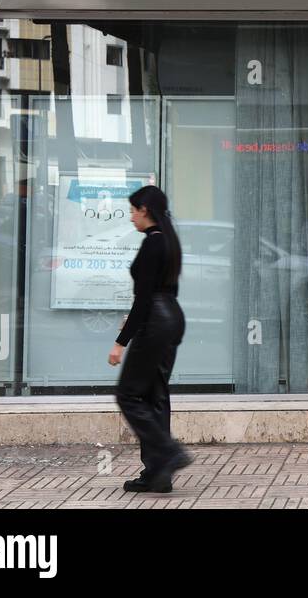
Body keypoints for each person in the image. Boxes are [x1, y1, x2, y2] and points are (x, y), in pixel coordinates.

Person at [108, 185, 194, 493]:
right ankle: (158, 474)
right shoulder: (168, 241)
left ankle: (168, 453)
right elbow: (162, 293)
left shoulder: (151, 245)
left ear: (145, 210)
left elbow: (144, 298)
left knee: (128, 395)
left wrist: (121, 341)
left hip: (156, 322)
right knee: (155, 397)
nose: (131, 217)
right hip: (171, 318)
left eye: (133, 211)